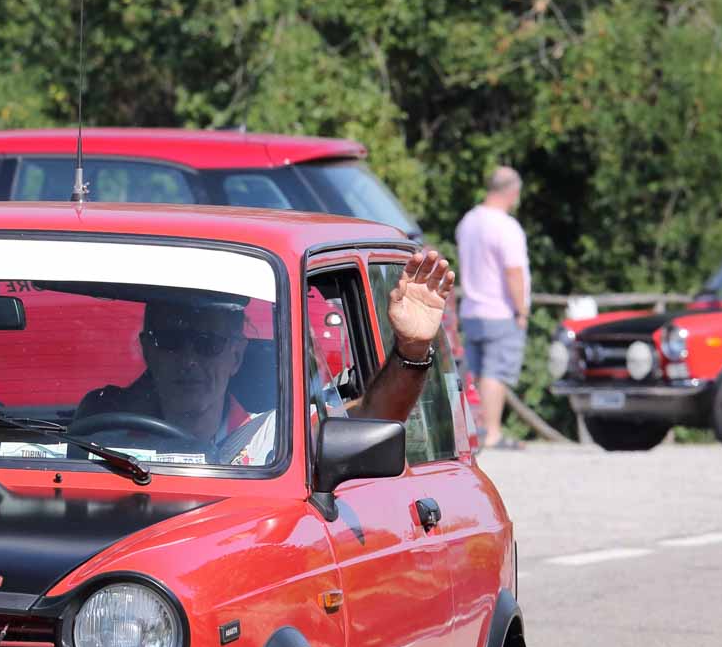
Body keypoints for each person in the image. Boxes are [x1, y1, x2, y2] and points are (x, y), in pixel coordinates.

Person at [75, 250, 457, 455]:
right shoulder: (104, 434)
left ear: (236, 356)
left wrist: (412, 347)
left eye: (208, 345)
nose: (189, 360)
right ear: (149, 350)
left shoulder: (271, 436)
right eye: (172, 342)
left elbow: (373, 420)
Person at [454, 167, 531, 450]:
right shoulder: (505, 226)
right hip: (499, 309)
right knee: (495, 373)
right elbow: (514, 271)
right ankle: (492, 432)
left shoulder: (468, 221)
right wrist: (521, 310)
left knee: (474, 372)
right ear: (513, 192)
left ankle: (475, 429)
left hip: (472, 307)